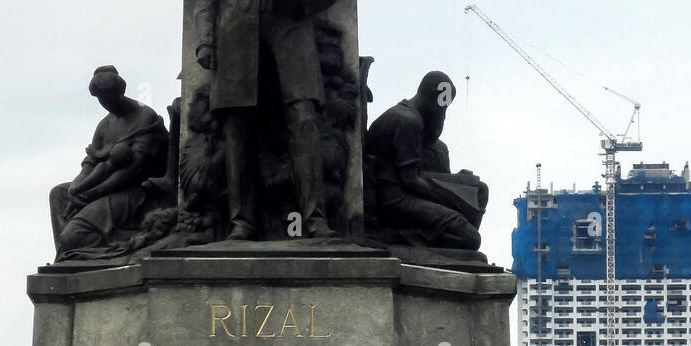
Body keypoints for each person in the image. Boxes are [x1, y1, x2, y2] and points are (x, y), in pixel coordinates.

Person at [193, 0, 337, 240]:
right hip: (235, 27)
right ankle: (241, 222)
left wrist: (302, 5)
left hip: (291, 23)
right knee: (237, 126)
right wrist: (204, 40)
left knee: (304, 118)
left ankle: (315, 219)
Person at [49, 66, 169, 258]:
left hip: (139, 190)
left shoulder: (144, 117)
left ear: (120, 92)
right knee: (58, 194)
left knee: (73, 234)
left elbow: (134, 169)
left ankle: (91, 248)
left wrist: (91, 193)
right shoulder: (105, 125)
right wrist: (77, 188)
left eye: (108, 97)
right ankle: (66, 253)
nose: (105, 103)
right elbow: (90, 163)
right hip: (107, 185)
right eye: (100, 99)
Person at [365, 70, 486, 251]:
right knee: (471, 239)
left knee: (480, 190)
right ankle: (397, 237)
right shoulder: (408, 121)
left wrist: (458, 183)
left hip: (405, 193)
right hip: (393, 201)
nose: (444, 112)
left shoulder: (408, 118)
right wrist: (455, 200)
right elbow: (410, 181)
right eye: (443, 107)